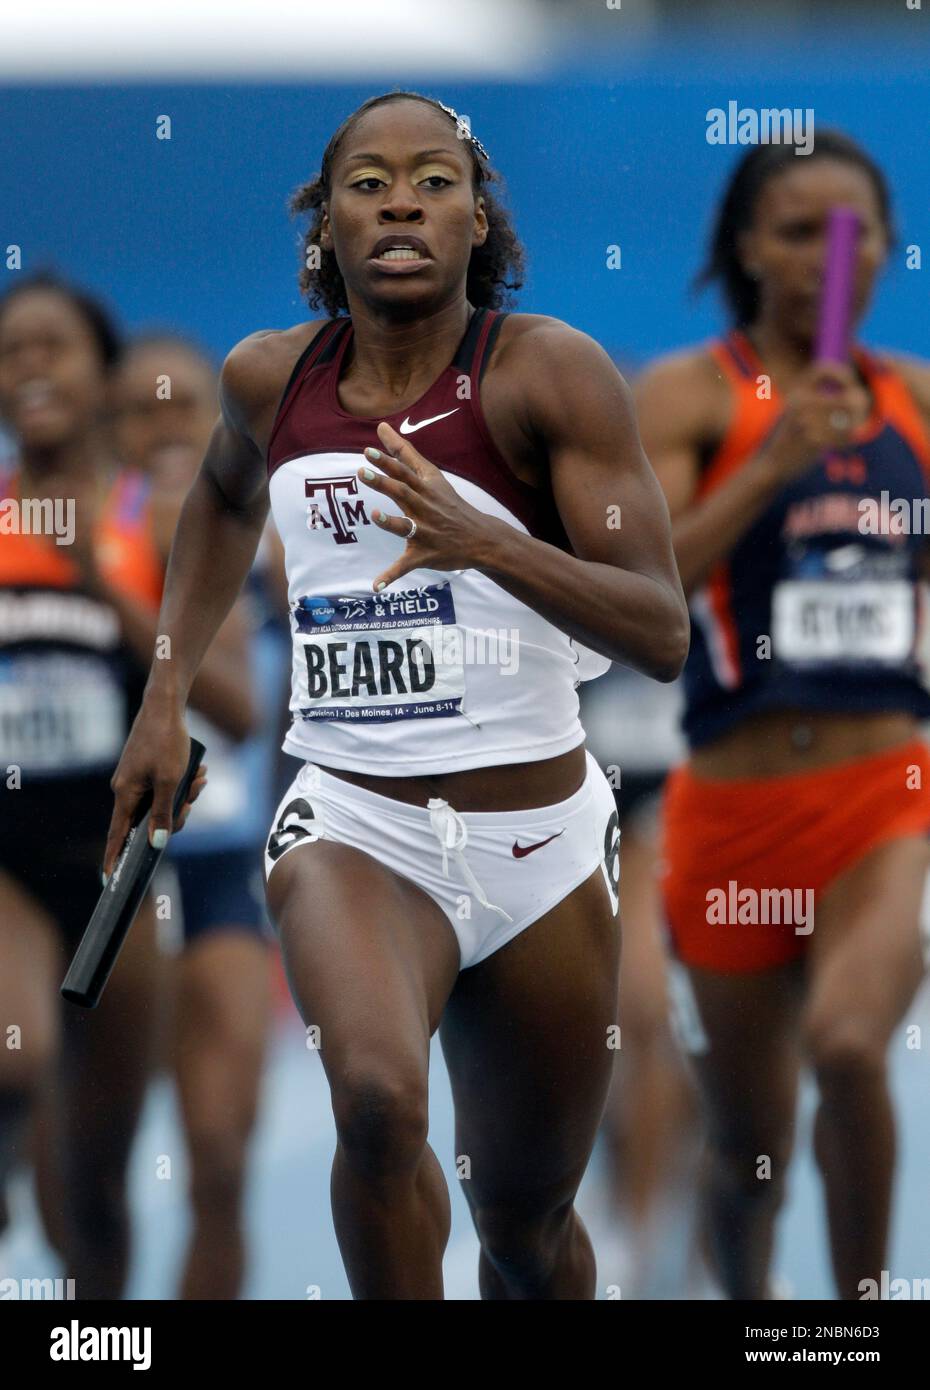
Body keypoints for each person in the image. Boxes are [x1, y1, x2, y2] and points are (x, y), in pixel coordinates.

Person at [105, 90, 688, 1301]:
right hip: (353, 819)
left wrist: (485, 543)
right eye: (368, 184)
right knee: (374, 1102)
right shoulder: (267, 379)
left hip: (539, 839)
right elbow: (221, 500)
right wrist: (166, 696)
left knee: (525, 1229)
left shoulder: (548, 375)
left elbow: (660, 628)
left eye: (434, 181)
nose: (402, 203)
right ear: (327, 224)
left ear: (479, 220)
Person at [637, 131, 930, 1299]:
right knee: (747, 1151)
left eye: (848, 235)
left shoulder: (915, 400)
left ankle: (859, 1323)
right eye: (797, 232)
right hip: (733, 811)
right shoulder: (690, 393)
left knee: (850, 1047)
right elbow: (643, 592)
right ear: (749, 247)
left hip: (884, 798)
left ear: (887, 250)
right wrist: (772, 463)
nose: (823, 258)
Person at [0, 275, 166, 1298]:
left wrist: (98, 580)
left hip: (120, 873)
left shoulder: (155, 515)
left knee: (99, 1189)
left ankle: (93, 1332)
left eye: (52, 345)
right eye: (11, 350)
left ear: (105, 377)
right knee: (13, 1062)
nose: (30, 367)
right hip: (7, 858)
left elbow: (237, 708)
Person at [112, 333, 286, 1299]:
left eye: (185, 407)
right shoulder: (77, 537)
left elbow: (247, 710)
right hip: (102, 868)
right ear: (110, 432)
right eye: (141, 412)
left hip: (221, 864)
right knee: (88, 1155)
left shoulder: (264, 539)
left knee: (219, 1160)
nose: (167, 429)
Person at [580, 664, 699, 1297]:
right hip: (594, 817)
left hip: (696, 810)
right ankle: (634, 1217)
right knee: (627, 1029)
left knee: (670, 1031)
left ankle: (661, 1228)